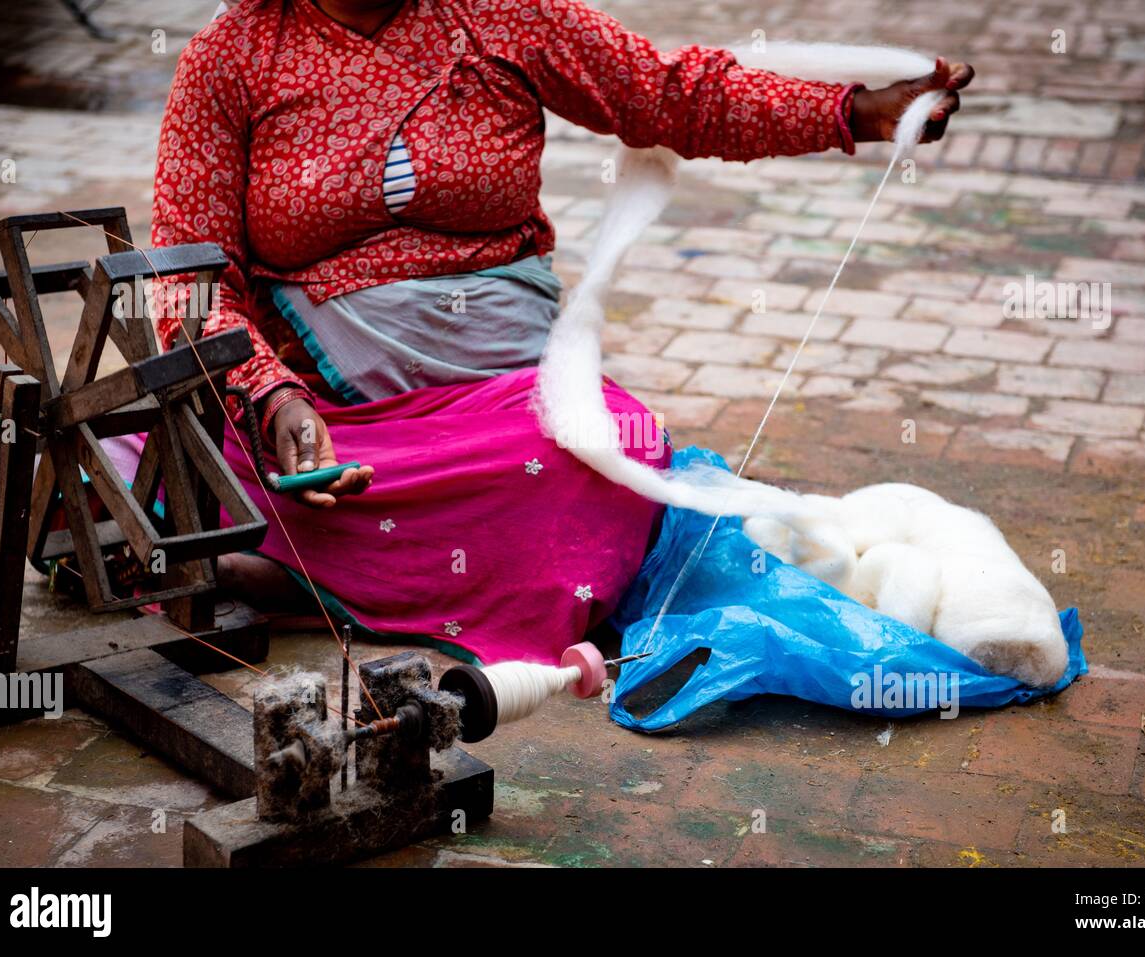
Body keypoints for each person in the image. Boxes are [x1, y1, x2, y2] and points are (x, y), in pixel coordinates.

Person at [139, 0, 973, 663]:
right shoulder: (234, 55)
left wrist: (857, 113)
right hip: (329, 423)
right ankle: (337, 560)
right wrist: (274, 396)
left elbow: (666, 91)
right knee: (216, 474)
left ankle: (309, 577)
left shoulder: (501, 12)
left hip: (504, 404)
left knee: (620, 450)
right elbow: (184, 279)